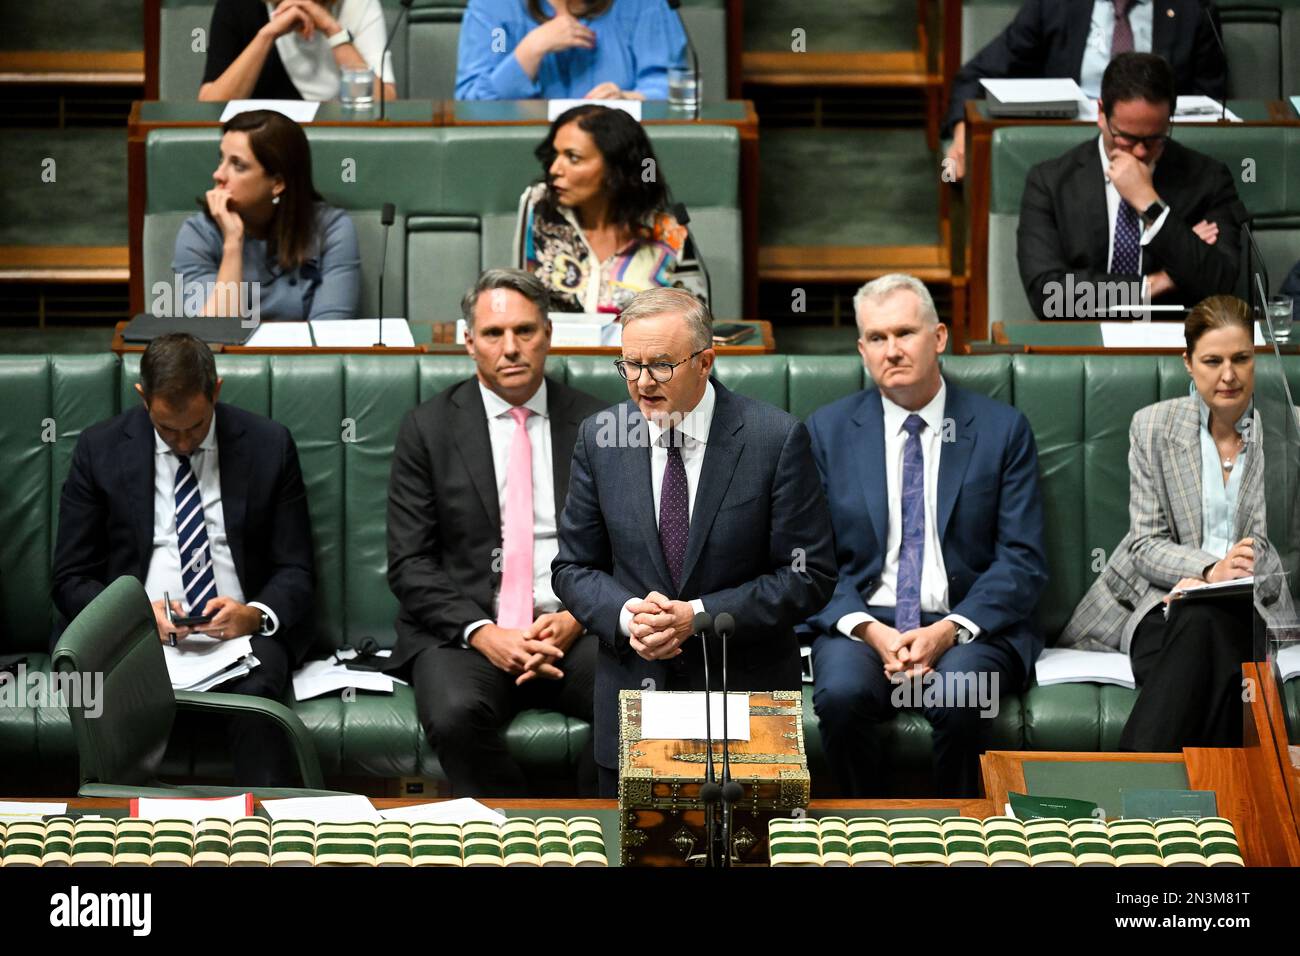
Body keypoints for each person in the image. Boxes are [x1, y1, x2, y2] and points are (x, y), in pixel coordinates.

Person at [552, 287, 839, 797]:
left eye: (661, 366)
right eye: (630, 365)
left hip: (744, 698)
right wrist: (629, 617)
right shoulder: (601, 438)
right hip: (634, 693)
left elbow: (807, 575)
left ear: (705, 361)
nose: (643, 383)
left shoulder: (775, 440)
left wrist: (699, 615)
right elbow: (573, 568)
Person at [804, 274, 1048, 797]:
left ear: (938, 337)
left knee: (964, 696)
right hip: (866, 622)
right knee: (842, 695)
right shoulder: (827, 432)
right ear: (862, 349)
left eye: (904, 333)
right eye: (876, 338)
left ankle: (956, 834)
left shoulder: (1002, 430)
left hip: (967, 623)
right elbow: (811, 563)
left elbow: (1022, 561)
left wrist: (947, 632)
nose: (891, 350)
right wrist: (871, 631)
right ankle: (862, 835)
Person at [52, 333, 315, 786]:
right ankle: (123, 838)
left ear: (216, 390)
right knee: (107, 697)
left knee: (259, 707)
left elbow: (296, 568)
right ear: (142, 397)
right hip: (133, 638)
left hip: (238, 636)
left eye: (194, 428)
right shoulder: (100, 449)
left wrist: (254, 615)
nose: (182, 443)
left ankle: (261, 837)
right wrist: (134, 619)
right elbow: (70, 577)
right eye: (167, 429)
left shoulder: (269, 445)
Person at [386, 269, 605, 797]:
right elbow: (409, 563)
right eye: (493, 334)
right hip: (466, 632)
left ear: (548, 335)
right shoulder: (428, 428)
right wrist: (485, 633)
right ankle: (523, 837)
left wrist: (576, 616)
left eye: (525, 331)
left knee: (637, 701)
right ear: (469, 342)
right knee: (456, 714)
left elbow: (631, 544)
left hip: (574, 627)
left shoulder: (598, 423)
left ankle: (592, 833)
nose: (511, 348)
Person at [1061, 295, 1283, 750]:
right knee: (1216, 649)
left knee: (1208, 627)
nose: (1229, 375)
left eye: (1241, 358)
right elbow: (1145, 544)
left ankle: (1130, 785)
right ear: (1187, 362)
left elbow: (1286, 540)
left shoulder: (1286, 432)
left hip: (1252, 608)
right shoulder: (1153, 427)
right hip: (1160, 604)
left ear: (1255, 357)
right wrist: (1208, 571)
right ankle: (1225, 813)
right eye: (1213, 360)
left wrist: (1247, 565)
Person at [1017, 53, 1240, 321]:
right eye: (1127, 137)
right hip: (1082, 341)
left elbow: (1221, 287)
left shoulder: (1208, 179)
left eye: (1155, 138)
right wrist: (1158, 282)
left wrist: (1150, 204)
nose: (1141, 151)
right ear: (1101, 113)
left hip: (1174, 342)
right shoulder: (1050, 183)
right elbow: (1048, 298)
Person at [942, 0, 1225, 180]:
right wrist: (961, 130)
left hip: (1155, 158)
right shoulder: (1054, 5)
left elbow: (1210, 106)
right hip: (1060, 151)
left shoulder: (1192, 9)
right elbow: (978, 75)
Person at [514, 103, 707, 314]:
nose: (554, 169)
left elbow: (698, 326)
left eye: (573, 158)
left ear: (616, 169)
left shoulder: (669, 230)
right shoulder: (539, 205)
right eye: (555, 155)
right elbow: (524, 304)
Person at [171, 109, 360, 321]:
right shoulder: (198, 234)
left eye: (237, 165)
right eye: (221, 159)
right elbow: (214, 334)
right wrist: (233, 243)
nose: (218, 174)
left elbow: (329, 335)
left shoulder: (331, 229)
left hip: (304, 354)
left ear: (278, 183)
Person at [456, 0, 687, 101]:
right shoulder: (495, 9)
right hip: (516, 152)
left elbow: (670, 87)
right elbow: (472, 103)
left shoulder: (643, 4)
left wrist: (628, 98)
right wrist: (530, 50)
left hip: (617, 157)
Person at [199, 0, 397, 102]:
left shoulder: (358, 4)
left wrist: (332, 30)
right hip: (264, 146)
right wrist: (267, 36)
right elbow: (211, 106)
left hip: (340, 137)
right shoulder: (238, 5)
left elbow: (386, 102)